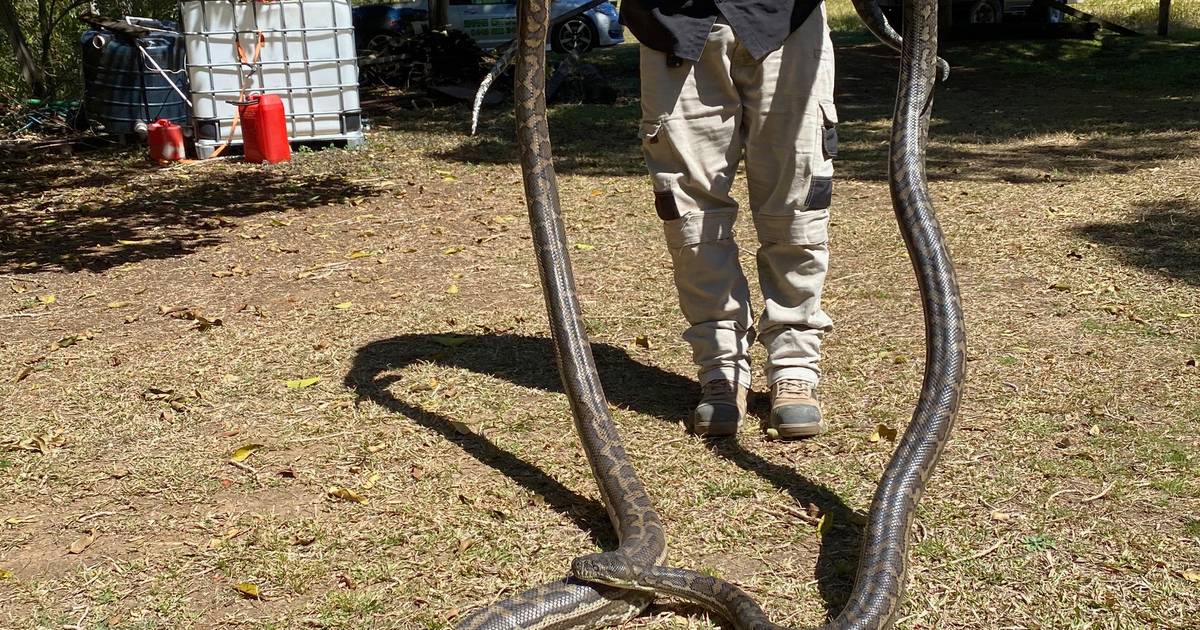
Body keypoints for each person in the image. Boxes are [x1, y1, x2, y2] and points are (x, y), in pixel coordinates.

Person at [620, 0, 838, 438]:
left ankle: (794, 365)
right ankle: (721, 369)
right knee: (690, 213)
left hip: (787, 20)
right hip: (674, 21)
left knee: (797, 200)